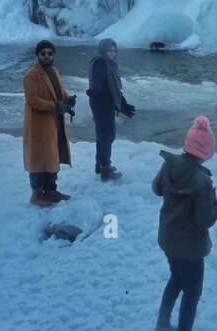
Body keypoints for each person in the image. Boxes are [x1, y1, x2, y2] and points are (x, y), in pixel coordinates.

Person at [151, 116, 217, 331]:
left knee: (175, 280)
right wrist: (214, 201)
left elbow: (157, 188)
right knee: (192, 291)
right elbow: (206, 220)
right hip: (190, 247)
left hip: (168, 239)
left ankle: (161, 326)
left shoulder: (169, 165)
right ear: (205, 152)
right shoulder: (202, 181)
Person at [23, 39, 77, 206]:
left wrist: (67, 99)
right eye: (43, 53)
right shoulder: (31, 75)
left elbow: (59, 91)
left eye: (50, 53)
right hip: (39, 126)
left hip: (53, 123)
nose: (47, 56)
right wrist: (55, 106)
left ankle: (51, 191)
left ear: (53, 56)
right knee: (38, 160)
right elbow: (32, 100)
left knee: (52, 157)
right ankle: (37, 194)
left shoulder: (53, 71)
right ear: (38, 55)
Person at [87, 37, 135, 181]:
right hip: (101, 103)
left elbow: (112, 88)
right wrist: (117, 104)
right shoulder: (101, 63)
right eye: (109, 50)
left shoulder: (108, 63)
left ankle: (100, 164)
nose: (112, 53)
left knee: (103, 135)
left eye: (114, 50)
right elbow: (102, 88)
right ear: (103, 50)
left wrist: (121, 102)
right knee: (107, 135)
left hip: (102, 102)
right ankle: (105, 167)